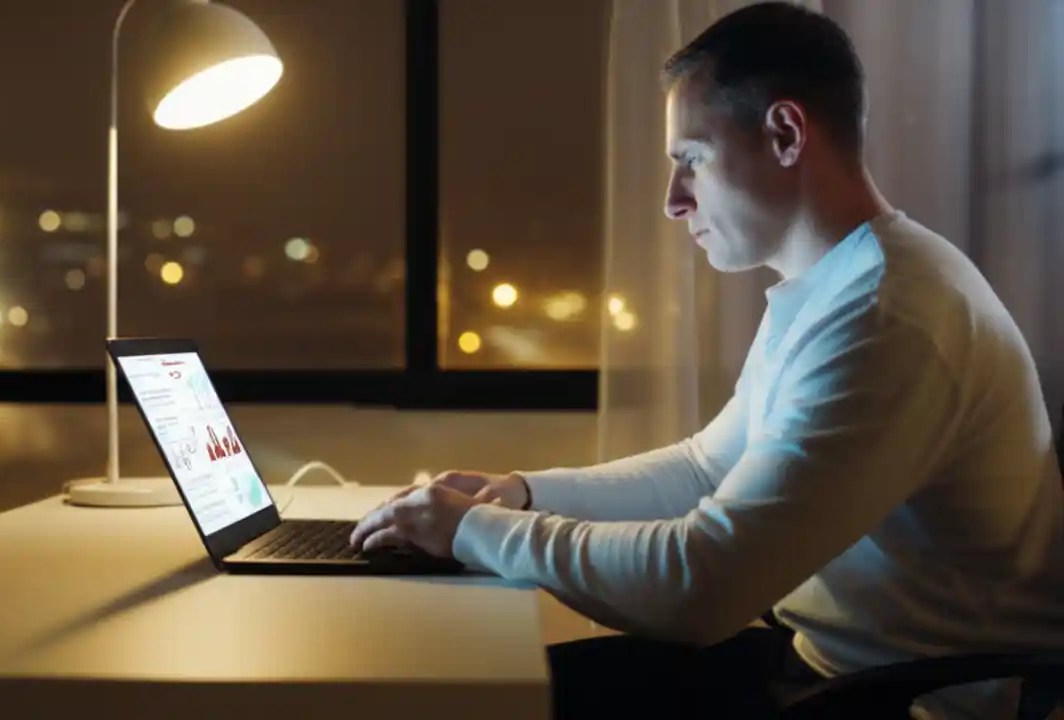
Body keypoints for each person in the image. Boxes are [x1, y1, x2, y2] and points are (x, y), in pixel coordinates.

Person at [350, 3, 1064, 718]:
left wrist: (473, 531)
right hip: (823, 666)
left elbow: (702, 588)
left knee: (473, 703)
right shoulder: (836, 285)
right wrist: (523, 494)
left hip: (908, 702)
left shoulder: (889, 314)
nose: (673, 202)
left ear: (785, 134)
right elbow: (707, 468)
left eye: (691, 159)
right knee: (483, 689)